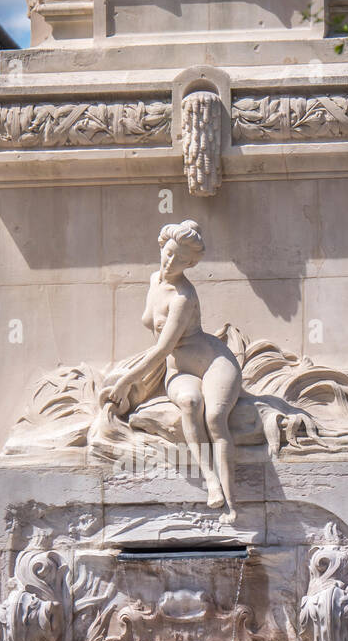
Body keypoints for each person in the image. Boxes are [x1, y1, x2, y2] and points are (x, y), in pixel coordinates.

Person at [100, 220, 243, 522]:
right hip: (180, 369)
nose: (169, 262)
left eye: (179, 259)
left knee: (216, 419)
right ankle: (211, 481)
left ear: (190, 263)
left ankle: (233, 504)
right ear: (162, 248)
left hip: (214, 362)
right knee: (191, 404)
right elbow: (165, 355)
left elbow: (163, 349)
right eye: (167, 253)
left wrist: (126, 381)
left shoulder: (183, 297)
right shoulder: (154, 281)